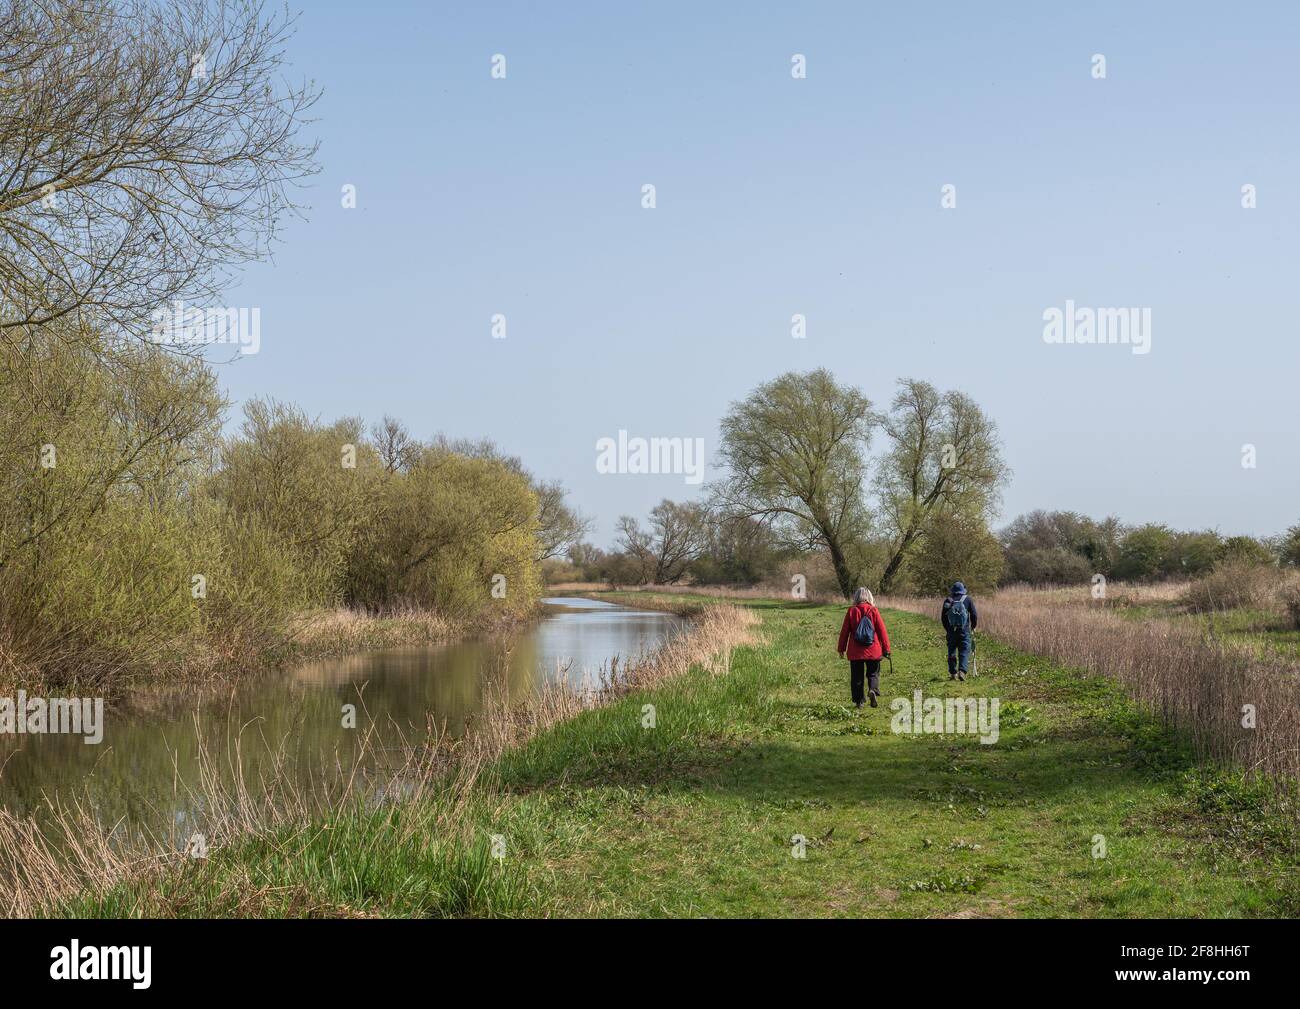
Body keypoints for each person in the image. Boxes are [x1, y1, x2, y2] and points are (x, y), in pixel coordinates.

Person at [837, 587, 891, 709]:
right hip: (873, 650)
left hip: (856, 651)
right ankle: (872, 689)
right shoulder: (874, 611)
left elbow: (844, 632)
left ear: (856, 597)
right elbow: (882, 631)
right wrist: (886, 649)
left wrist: (841, 648)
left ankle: (859, 701)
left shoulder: (852, 611)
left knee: (857, 676)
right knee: (873, 673)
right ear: (869, 597)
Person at [941, 581, 978, 681]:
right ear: (963, 591)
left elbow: (943, 618)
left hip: (951, 631)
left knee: (951, 651)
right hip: (964, 631)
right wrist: (973, 626)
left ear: (953, 591)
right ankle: (962, 671)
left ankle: (953, 673)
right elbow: (974, 615)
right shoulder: (968, 599)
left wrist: (948, 629)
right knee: (964, 651)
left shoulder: (948, 601)